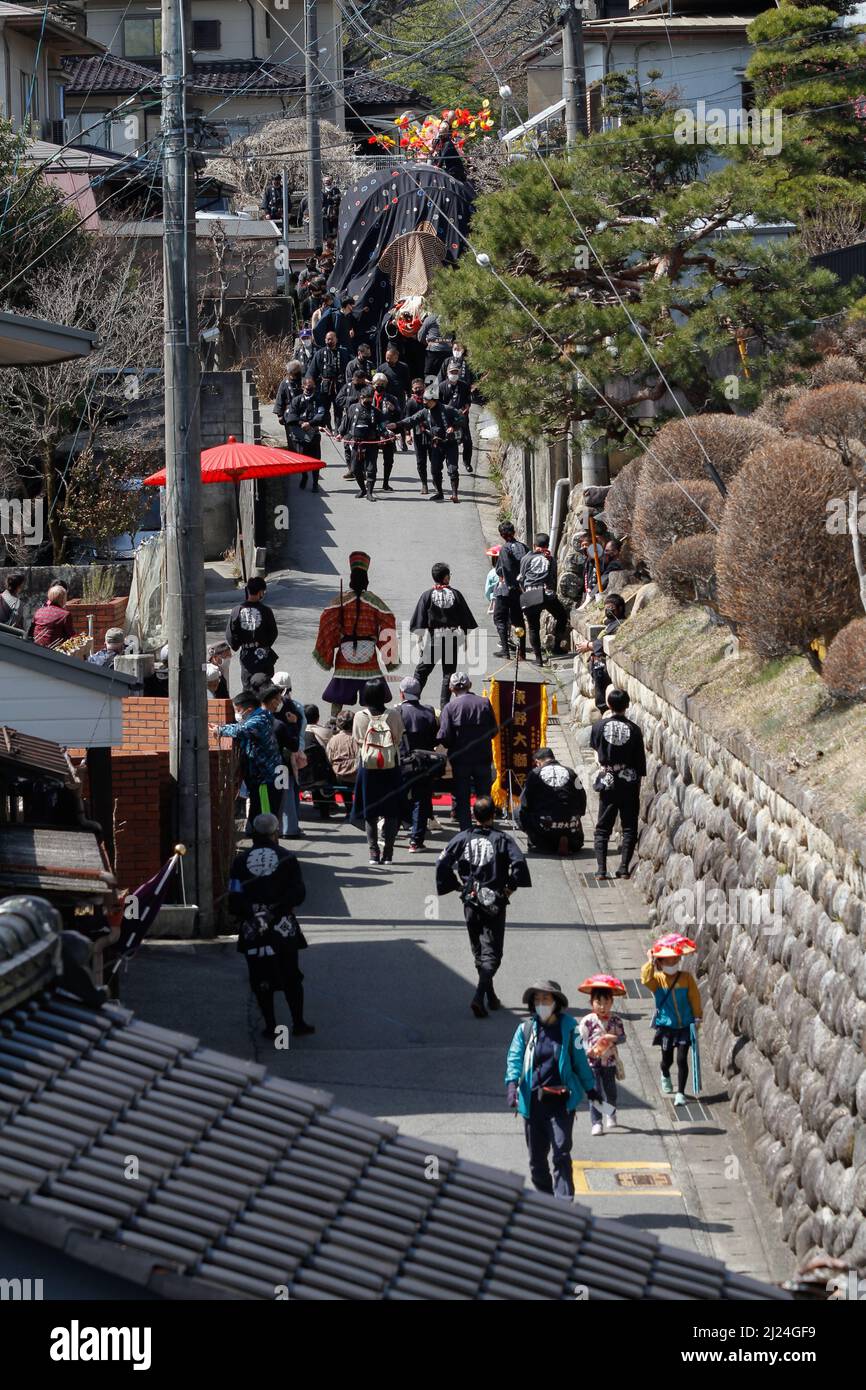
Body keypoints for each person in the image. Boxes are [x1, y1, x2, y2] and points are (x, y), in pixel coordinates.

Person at [437, 797, 531, 1017]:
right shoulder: (503, 839)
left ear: (473, 815)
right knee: (493, 954)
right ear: (493, 816)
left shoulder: (461, 838)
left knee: (479, 951)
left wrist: (457, 886)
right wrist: (508, 889)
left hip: (470, 901)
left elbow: (442, 862)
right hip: (493, 901)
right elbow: (519, 864)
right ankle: (480, 995)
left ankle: (490, 996)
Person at [504, 980, 599, 1198]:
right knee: (537, 1163)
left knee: (561, 1153)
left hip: (561, 1102)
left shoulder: (570, 1030)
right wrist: (511, 1087)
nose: (541, 1003)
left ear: (556, 1002)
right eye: (537, 1000)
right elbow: (514, 1060)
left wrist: (591, 1089)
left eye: (546, 999)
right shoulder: (525, 1030)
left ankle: (564, 1205)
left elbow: (580, 1062)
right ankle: (547, 1201)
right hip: (533, 1104)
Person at [228, 812, 314, 1039]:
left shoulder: (239, 861)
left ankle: (271, 1026)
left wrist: (251, 913)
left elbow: (234, 895)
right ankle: (298, 1022)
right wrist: (276, 910)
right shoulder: (287, 857)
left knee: (260, 976)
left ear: (254, 833)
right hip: (282, 926)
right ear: (275, 833)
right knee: (291, 975)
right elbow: (298, 892)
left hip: (253, 927)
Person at [313, 551, 398, 712]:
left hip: (345, 654)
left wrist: (334, 641)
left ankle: (333, 723)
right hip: (368, 654)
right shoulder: (373, 601)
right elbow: (388, 619)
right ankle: (374, 721)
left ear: (351, 579)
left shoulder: (341, 600)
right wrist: (385, 648)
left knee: (338, 694)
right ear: (366, 579)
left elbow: (327, 619)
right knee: (372, 692)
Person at [589, 687, 646, 880]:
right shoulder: (634, 729)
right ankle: (623, 868)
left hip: (608, 780)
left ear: (610, 705)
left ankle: (601, 869)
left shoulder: (599, 726)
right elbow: (640, 764)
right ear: (627, 705)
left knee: (603, 826)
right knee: (629, 826)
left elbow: (596, 748)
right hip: (629, 782)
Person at [352, 678, 406, 865]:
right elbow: (398, 738)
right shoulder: (394, 715)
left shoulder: (360, 717)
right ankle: (389, 853)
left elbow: (357, 740)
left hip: (368, 768)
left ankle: (373, 852)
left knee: (370, 811)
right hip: (391, 766)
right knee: (392, 811)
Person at [410, 562, 478, 708]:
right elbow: (465, 617)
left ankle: (411, 700)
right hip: (452, 639)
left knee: (422, 671)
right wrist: (465, 637)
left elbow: (420, 618)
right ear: (446, 578)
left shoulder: (427, 595)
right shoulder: (456, 594)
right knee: (448, 674)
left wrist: (419, 640)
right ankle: (444, 706)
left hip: (435, 639)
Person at [641, 944, 702, 1106]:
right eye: (667, 961)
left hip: (684, 1026)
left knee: (682, 1059)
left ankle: (681, 1093)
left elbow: (695, 997)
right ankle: (665, 1072)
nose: (672, 963)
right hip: (666, 1028)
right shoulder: (658, 980)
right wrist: (650, 962)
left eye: (675, 959)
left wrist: (697, 1017)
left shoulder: (687, 977)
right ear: (660, 963)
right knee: (667, 1060)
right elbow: (646, 980)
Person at [437, 672, 497, 831]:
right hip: (482, 757)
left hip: (460, 760)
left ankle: (466, 830)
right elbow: (494, 731)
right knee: (484, 795)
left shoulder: (450, 707)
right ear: (470, 685)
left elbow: (444, 736)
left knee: (462, 797)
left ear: (451, 689)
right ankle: (487, 826)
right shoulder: (484, 703)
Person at [213, 691, 283, 825]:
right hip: (265, 774)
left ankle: (266, 839)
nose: (237, 714)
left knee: (264, 812)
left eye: (238, 710)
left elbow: (241, 730)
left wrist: (220, 730)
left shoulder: (258, 721)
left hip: (264, 776)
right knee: (259, 809)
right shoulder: (262, 715)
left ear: (249, 709)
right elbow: (241, 727)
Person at [393, 390, 463, 501]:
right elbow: (412, 419)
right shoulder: (426, 411)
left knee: (452, 469)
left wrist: (453, 427)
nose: (424, 401)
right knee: (435, 469)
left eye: (426, 400)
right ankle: (439, 493)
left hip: (450, 443)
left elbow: (461, 418)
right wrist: (397, 424)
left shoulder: (448, 409)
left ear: (433, 400)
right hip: (436, 444)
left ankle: (455, 494)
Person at [577, 980, 627, 1135]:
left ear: (612, 1002)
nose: (602, 1006)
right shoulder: (587, 1021)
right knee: (596, 1092)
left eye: (606, 1002)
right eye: (598, 1002)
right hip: (592, 1063)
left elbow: (623, 1037)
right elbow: (578, 1041)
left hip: (610, 1062)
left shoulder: (616, 1020)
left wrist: (615, 1038)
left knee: (611, 1091)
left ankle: (611, 1113)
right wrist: (587, 1051)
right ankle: (597, 1122)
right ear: (592, 1002)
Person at [518, 747, 586, 854]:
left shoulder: (534, 773)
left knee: (518, 811)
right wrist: (578, 815)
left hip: (546, 825)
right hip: (570, 824)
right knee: (572, 818)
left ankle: (542, 842)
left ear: (538, 762)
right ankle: (567, 838)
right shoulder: (571, 772)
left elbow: (525, 803)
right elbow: (582, 797)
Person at [398, 675, 439, 852]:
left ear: (402, 694)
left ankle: (389, 832)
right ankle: (416, 840)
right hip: (424, 762)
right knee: (421, 801)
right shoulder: (429, 711)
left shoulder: (397, 712)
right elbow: (435, 737)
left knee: (398, 797)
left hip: (402, 762)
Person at [518, 532, 570, 666]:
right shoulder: (550, 558)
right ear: (547, 545)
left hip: (531, 594)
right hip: (547, 594)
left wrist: (525, 591)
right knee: (562, 616)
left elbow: (521, 578)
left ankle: (538, 659)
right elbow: (553, 576)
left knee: (533, 627)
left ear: (534, 545)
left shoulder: (525, 558)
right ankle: (557, 647)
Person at [226, 576, 278, 690]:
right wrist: (265, 644)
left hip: (246, 654)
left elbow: (230, 634)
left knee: (248, 686)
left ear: (248, 590)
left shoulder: (236, 610)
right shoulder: (266, 611)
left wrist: (237, 644)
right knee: (265, 687)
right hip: (263, 654)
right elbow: (273, 632)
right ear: (261, 592)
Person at [576, 593, 626, 711]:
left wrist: (588, 645)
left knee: (599, 671)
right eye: (606, 608)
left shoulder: (621, 624)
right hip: (596, 659)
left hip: (603, 663)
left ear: (620, 609)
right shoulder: (609, 624)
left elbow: (603, 643)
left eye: (612, 608)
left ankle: (602, 706)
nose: (608, 610)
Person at [492, 521, 528, 659]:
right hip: (520, 589)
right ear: (514, 532)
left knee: (500, 618)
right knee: (519, 620)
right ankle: (522, 652)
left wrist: (509, 583)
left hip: (506, 588)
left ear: (502, 535)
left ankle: (505, 650)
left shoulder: (505, 549)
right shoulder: (523, 547)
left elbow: (503, 569)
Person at [344, 385, 386, 501]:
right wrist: (340, 434)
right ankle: (362, 489)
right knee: (355, 469)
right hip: (357, 443)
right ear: (361, 397)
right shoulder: (352, 408)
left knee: (371, 469)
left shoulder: (376, 411)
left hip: (371, 442)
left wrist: (387, 434)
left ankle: (369, 492)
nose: (368, 401)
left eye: (370, 399)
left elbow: (382, 426)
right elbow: (346, 423)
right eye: (366, 398)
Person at [284, 377, 327, 490]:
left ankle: (315, 483)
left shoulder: (318, 399)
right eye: (307, 388)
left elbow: (321, 414)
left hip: (314, 433)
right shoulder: (296, 400)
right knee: (302, 460)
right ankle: (304, 476)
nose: (309, 390)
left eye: (311, 388)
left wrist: (310, 423)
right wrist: (301, 423)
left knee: (315, 460)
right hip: (300, 434)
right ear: (302, 387)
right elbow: (291, 416)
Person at [438, 363, 473, 473]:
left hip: (461, 416)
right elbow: (438, 403)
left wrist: (467, 407)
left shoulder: (464, 385)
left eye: (456, 372)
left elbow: (468, 399)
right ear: (447, 373)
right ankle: (447, 464)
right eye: (452, 372)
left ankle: (467, 462)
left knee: (467, 440)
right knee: (447, 440)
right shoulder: (442, 386)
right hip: (447, 417)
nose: (454, 374)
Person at [309, 330, 350, 426]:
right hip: (325, 386)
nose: (330, 341)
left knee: (338, 408)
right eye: (328, 339)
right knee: (325, 408)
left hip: (339, 385)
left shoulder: (344, 352)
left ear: (336, 339)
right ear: (325, 340)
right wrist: (310, 384)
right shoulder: (319, 353)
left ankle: (338, 428)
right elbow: (312, 371)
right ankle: (328, 427)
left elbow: (350, 367)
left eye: (332, 339)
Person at [370, 373, 400, 490]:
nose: (380, 386)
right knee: (371, 459)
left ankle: (386, 483)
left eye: (382, 384)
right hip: (372, 432)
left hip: (387, 431)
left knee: (388, 459)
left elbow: (399, 415)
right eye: (377, 384)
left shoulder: (392, 398)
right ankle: (371, 483)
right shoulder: (368, 396)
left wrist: (393, 410)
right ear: (373, 385)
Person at [400, 378, 430, 494]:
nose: (418, 390)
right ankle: (424, 484)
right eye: (416, 388)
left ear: (424, 387)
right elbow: (407, 420)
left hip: (431, 433)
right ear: (412, 389)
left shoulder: (430, 398)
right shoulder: (411, 402)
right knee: (420, 461)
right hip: (418, 433)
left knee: (435, 460)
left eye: (420, 387)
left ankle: (437, 483)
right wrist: (407, 435)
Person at [326, 709, 359, 806]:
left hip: (340, 776)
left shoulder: (333, 740)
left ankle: (348, 807)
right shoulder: (358, 738)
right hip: (357, 776)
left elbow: (329, 758)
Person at [418, 312, 452, 379]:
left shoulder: (430, 318)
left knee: (430, 376)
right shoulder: (452, 318)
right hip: (448, 352)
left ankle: (431, 389)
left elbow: (420, 337)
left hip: (433, 352)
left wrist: (428, 343)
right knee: (447, 375)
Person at [322, 174, 342, 239]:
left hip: (334, 215)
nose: (327, 183)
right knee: (326, 234)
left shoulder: (336, 190)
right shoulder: (322, 191)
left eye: (328, 181)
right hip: (325, 216)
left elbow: (339, 198)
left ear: (331, 181)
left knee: (334, 233)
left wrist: (332, 198)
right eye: (325, 181)